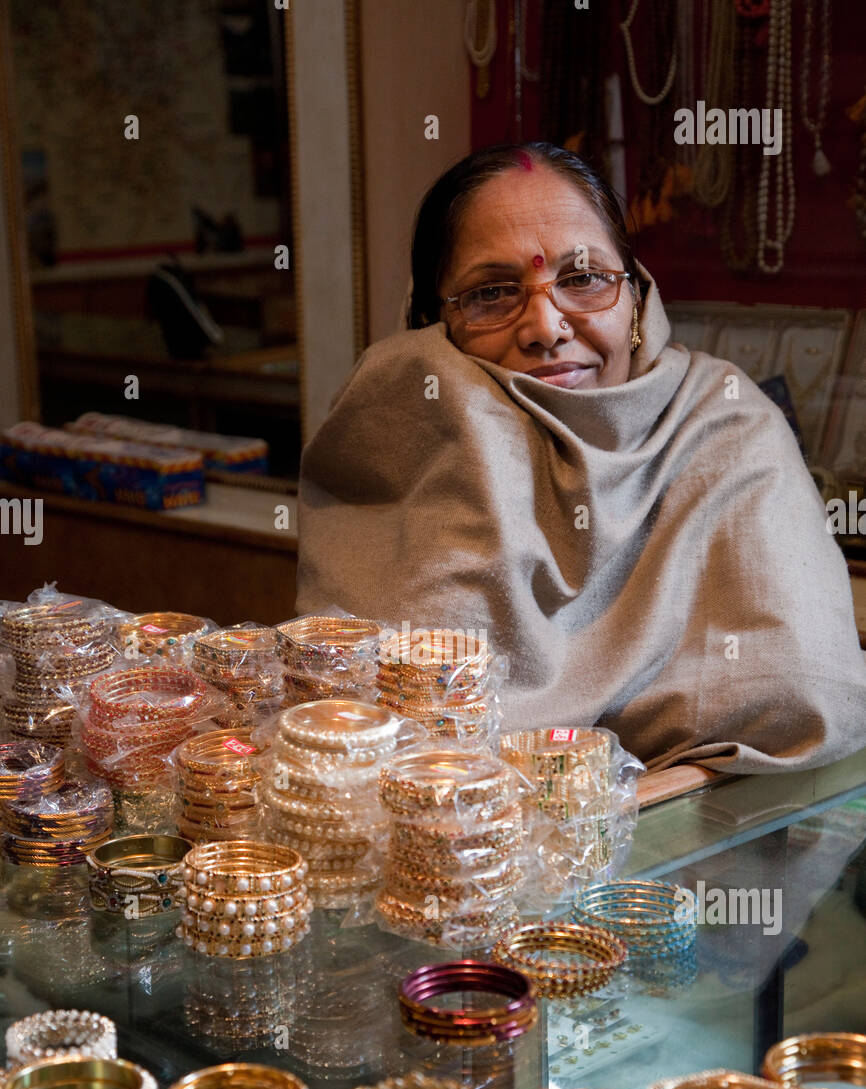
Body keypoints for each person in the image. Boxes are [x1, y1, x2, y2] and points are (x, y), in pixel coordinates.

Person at [296, 142, 866, 772]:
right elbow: (394, 743)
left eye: (584, 279)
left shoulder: (723, 426)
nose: (545, 326)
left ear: (638, 299)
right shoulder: (412, 424)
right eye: (492, 293)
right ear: (433, 323)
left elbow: (803, 702)